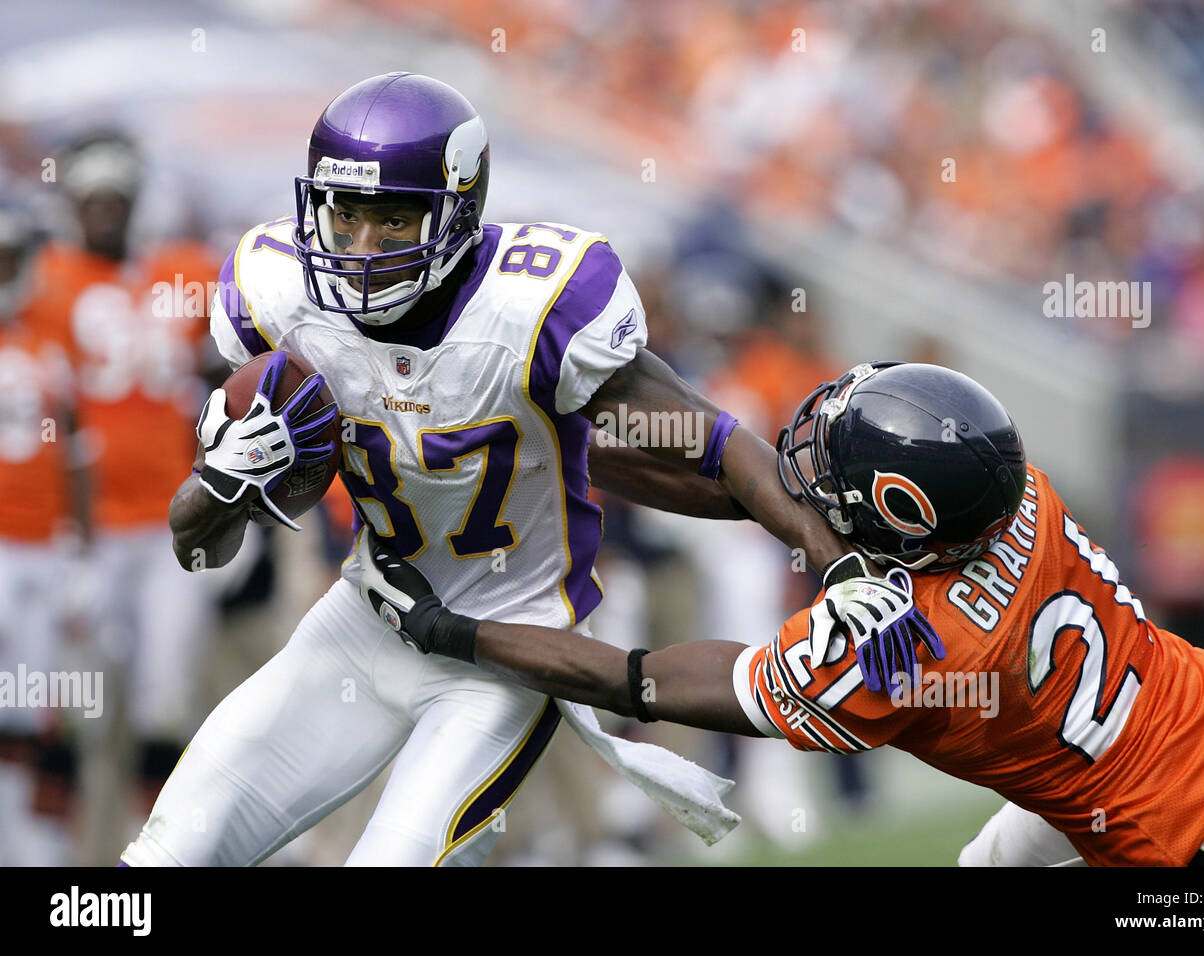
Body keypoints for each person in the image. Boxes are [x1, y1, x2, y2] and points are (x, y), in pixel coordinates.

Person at [121, 73, 863, 867]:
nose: (362, 249)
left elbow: (713, 443)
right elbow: (198, 547)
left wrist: (837, 561)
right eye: (346, 217)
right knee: (164, 857)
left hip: (507, 656)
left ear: (457, 212)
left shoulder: (533, 302)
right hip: (365, 622)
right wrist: (226, 480)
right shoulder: (278, 294)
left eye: (394, 219)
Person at [361, 360, 1204, 866]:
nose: (811, 470)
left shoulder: (915, 653)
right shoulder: (1025, 498)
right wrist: (567, 454)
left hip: (1192, 829)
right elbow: (797, 515)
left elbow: (640, 680)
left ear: (906, 515)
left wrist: (454, 632)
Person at [37, 131, 221, 836]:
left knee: (165, 699)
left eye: (118, 198)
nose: (107, 212)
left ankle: (159, 850)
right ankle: (57, 855)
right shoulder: (48, 278)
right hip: (78, 535)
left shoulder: (182, 273)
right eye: (94, 199)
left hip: (171, 525)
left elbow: (226, 378)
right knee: (75, 708)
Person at [0, 197, 89, 865]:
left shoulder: (50, 338)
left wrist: (82, 545)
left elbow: (78, 451)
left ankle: (35, 838)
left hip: (44, 546)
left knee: (38, 695)